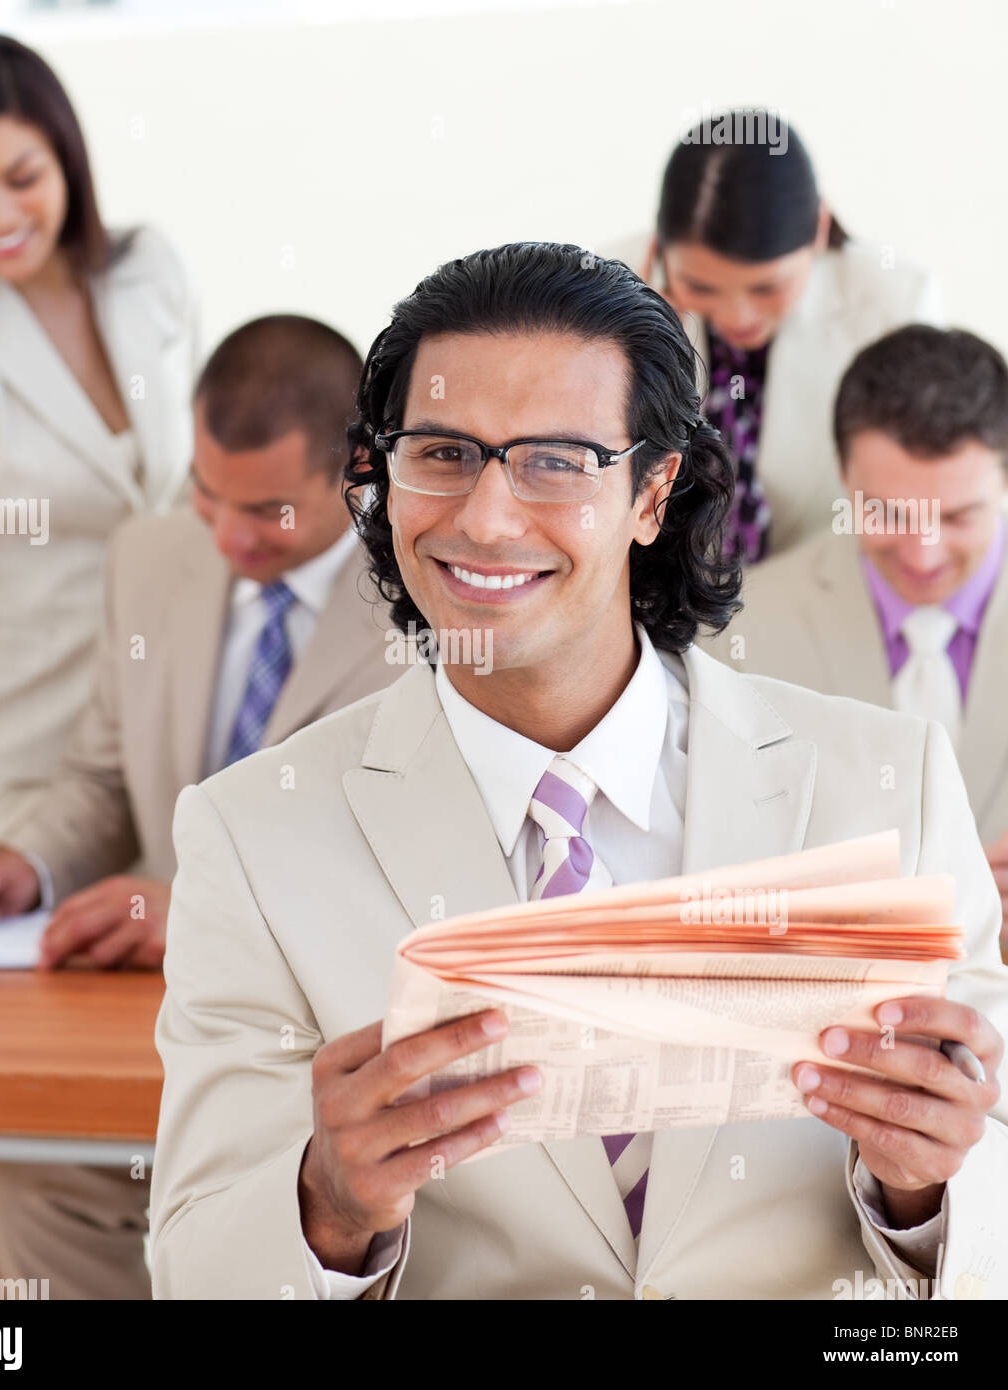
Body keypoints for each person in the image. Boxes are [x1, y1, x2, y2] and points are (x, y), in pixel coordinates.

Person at [148, 244, 1007, 1300]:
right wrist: (328, 1206)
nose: (486, 517)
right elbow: (195, 1266)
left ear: (653, 492)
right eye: (444, 453)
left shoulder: (891, 783)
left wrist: (924, 1190)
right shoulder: (251, 836)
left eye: (555, 460)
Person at [0, 315, 398, 1302]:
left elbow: (408, 856)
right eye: (205, 493)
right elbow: (100, 778)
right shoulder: (150, 557)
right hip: (148, 1019)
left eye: (263, 509)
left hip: (325, 1041)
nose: (225, 536)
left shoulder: (427, 593)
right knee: (28, 1182)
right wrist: (34, 862)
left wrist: (201, 909)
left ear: (356, 466)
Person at [0, 33, 197, 890]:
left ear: (69, 161)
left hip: (160, 756)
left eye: (22, 178)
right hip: (11, 773)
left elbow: (197, 493)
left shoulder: (147, 272)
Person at [702, 325, 1008, 954]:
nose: (924, 554)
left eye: (957, 516)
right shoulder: (742, 628)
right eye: (888, 512)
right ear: (842, 474)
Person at [604, 109, 942, 563]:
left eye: (767, 288)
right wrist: (639, 340)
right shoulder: (611, 287)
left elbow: (915, 487)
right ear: (660, 246)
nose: (736, 315)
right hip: (656, 587)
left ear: (819, 231)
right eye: (702, 287)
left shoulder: (892, 304)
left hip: (821, 583)